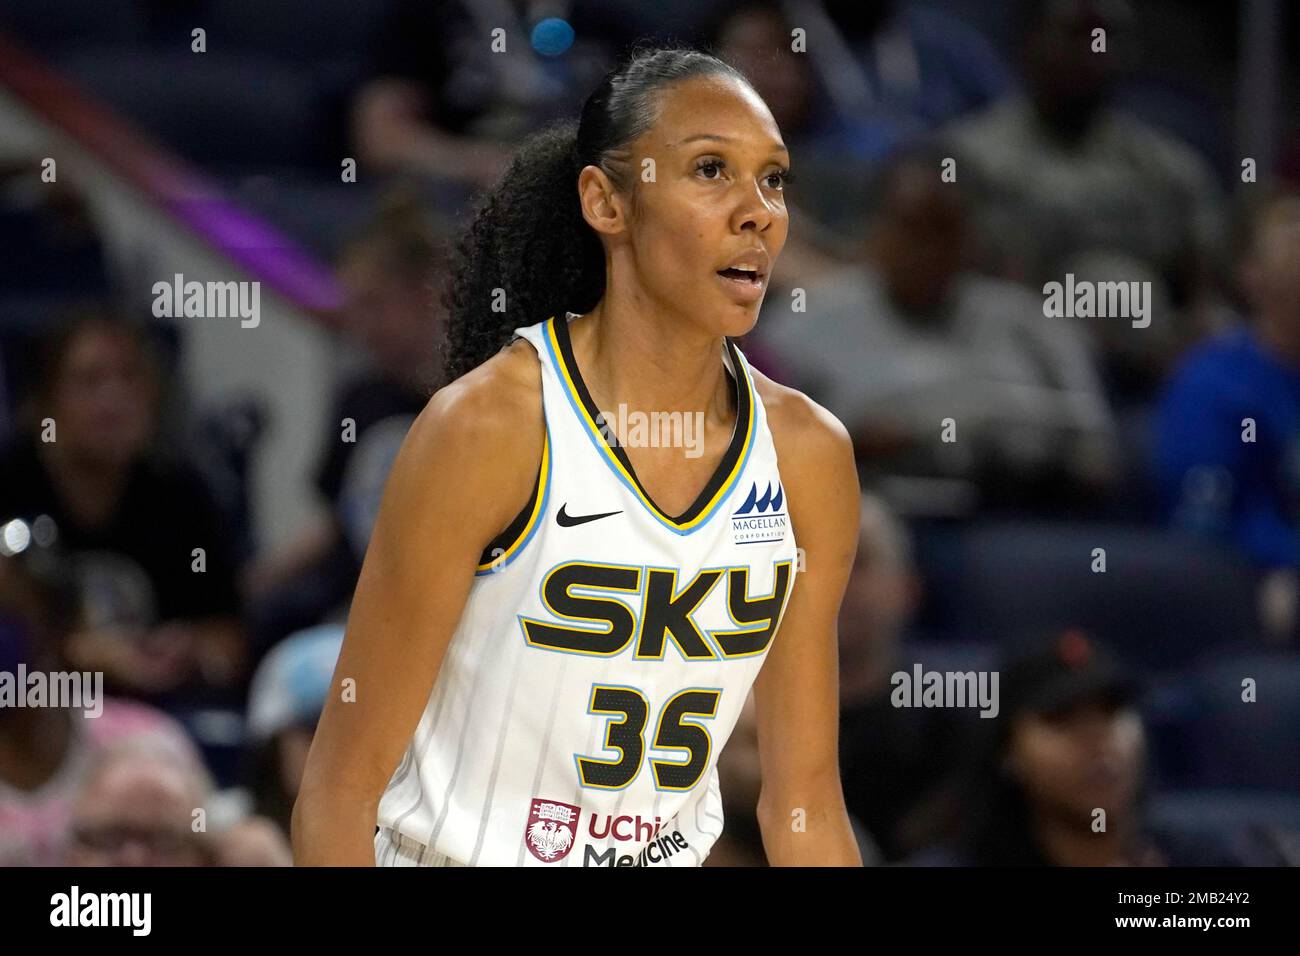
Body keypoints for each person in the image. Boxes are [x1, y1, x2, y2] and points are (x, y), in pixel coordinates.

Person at [294, 47, 862, 867]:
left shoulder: (809, 455)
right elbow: (339, 792)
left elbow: (803, 804)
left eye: (774, 180)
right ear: (606, 202)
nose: (759, 213)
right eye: (711, 170)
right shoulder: (487, 430)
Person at [0, 314, 246, 712]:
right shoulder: (11, 486)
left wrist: (193, 650)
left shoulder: (182, 495)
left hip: (156, 717)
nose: (114, 398)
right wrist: (82, 656)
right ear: (45, 401)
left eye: (130, 377)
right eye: (90, 381)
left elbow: (229, 636)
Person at [1156, 191, 1300, 569]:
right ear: (1251, 276)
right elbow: (1207, 521)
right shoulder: (1213, 383)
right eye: (1291, 245)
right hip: (1251, 584)